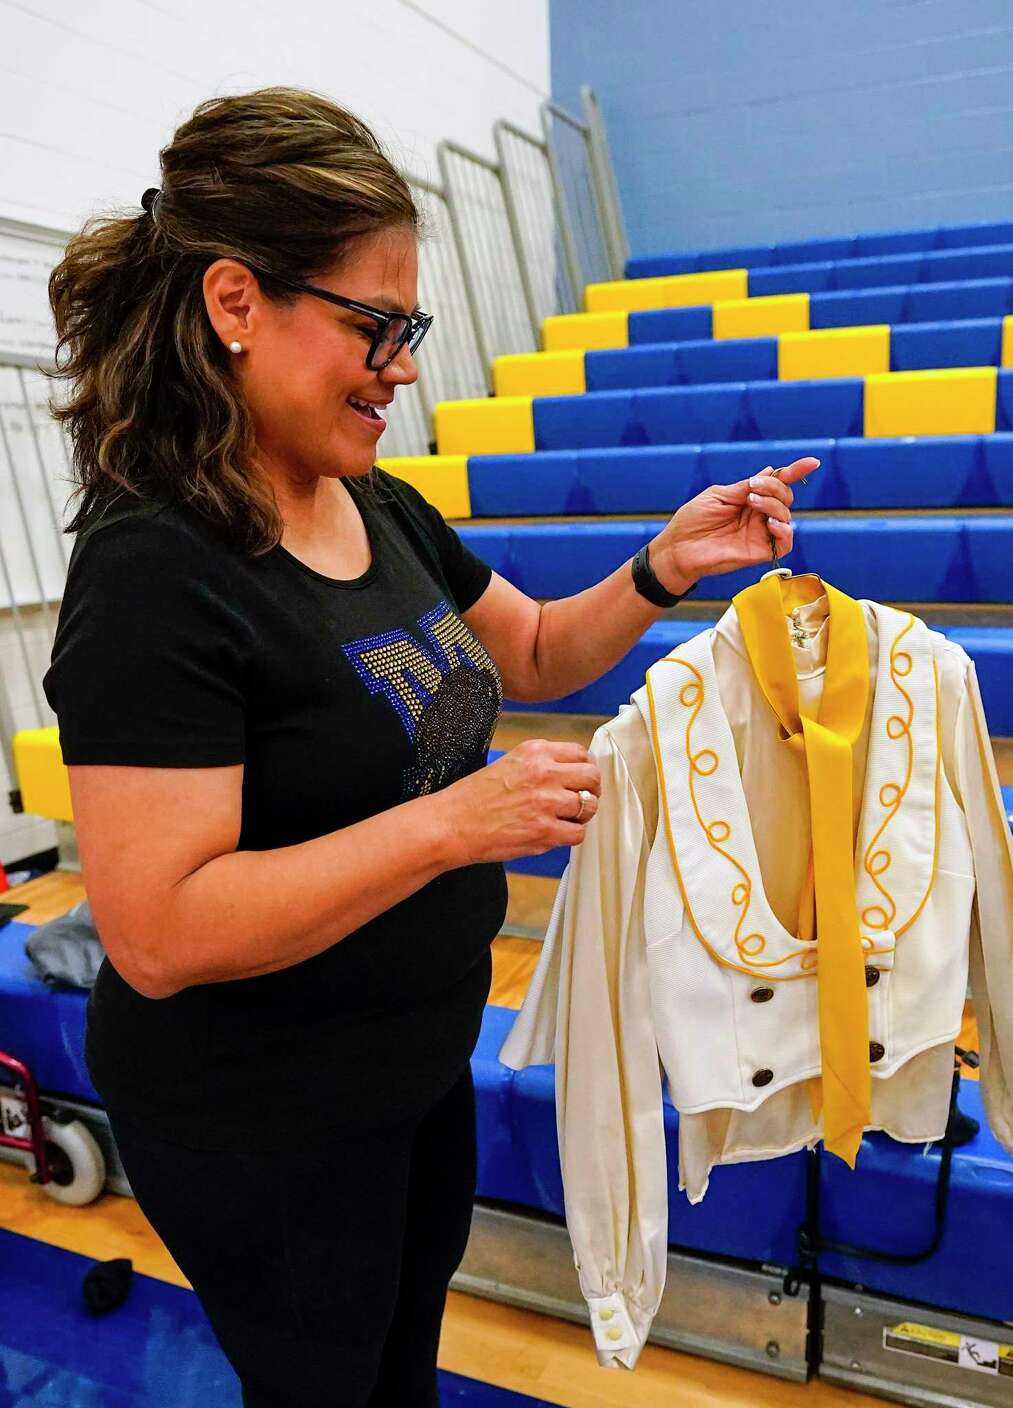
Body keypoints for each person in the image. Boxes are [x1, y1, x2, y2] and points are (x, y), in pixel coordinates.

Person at [42, 86, 815, 1408]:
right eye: (374, 325)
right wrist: (454, 823)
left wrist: (666, 565)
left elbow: (535, 653)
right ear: (236, 302)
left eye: (412, 326)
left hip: (406, 1066)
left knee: (395, 1365)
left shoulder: (373, 500)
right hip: (258, 1114)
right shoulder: (154, 567)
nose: (402, 362)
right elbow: (159, 927)